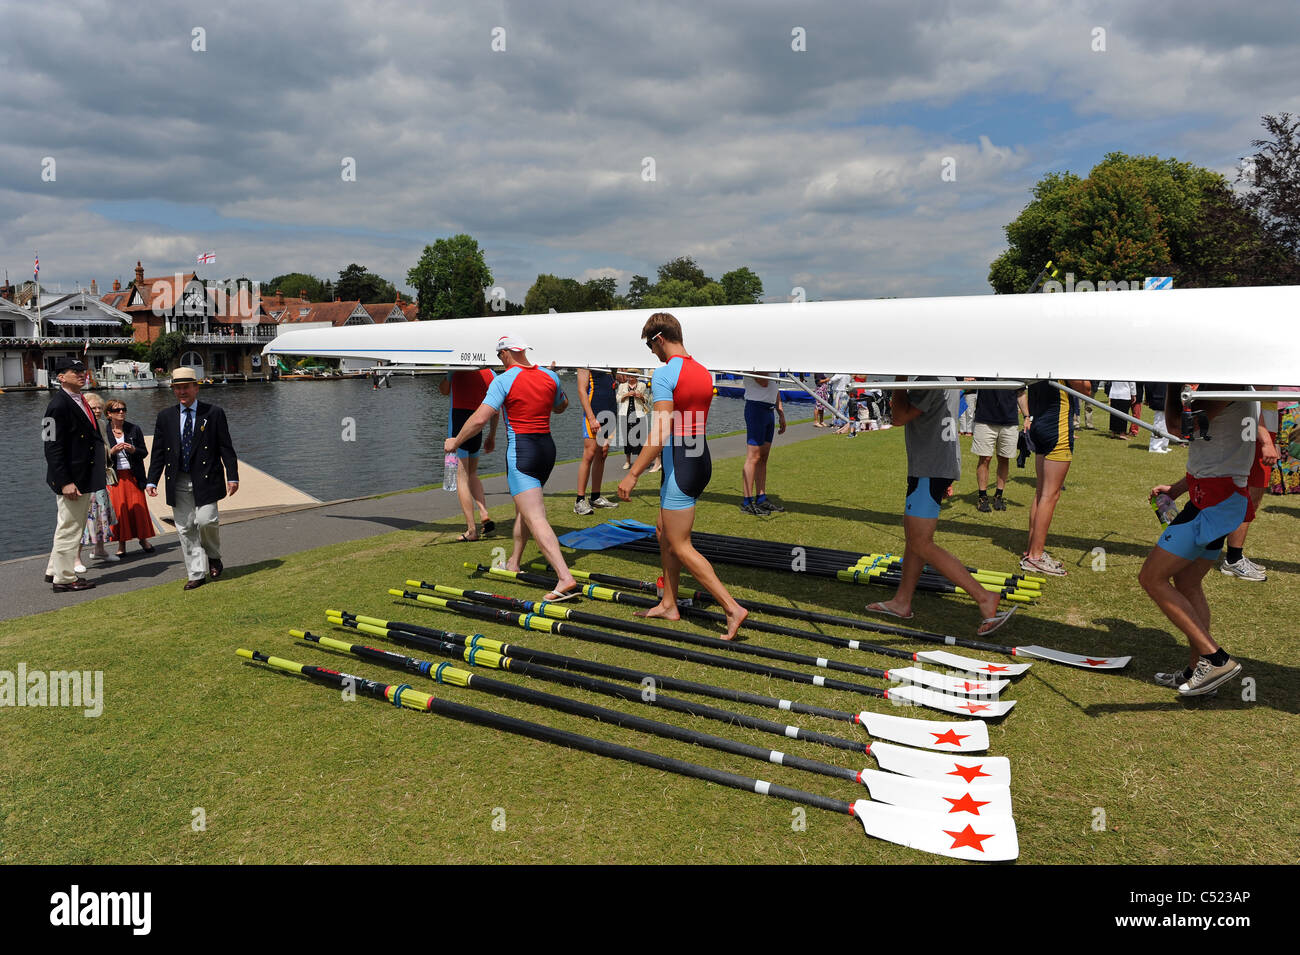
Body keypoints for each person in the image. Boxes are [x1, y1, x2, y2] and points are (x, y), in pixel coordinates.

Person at [617, 312, 748, 639]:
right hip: (697, 455)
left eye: (650, 345)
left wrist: (633, 473)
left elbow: (661, 429)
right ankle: (669, 603)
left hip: (681, 462)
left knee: (679, 543)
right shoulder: (703, 372)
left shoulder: (664, 375)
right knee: (663, 532)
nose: (651, 352)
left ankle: (732, 608)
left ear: (660, 338)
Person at [866, 377, 1015, 635]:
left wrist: (899, 382)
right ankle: (902, 602)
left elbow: (899, 416)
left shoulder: (930, 379)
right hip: (936, 465)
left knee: (921, 542)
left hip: (929, 468)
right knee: (915, 539)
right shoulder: (946, 375)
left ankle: (984, 597)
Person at [1139, 384, 1256, 696]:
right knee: (1188, 583)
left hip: (1215, 504)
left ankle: (1215, 658)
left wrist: (1170, 382)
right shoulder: (1233, 383)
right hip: (1216, 499)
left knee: (1152, 577)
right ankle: (1197, 670)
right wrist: (1178, 489)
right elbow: (1216, 454)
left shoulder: (1224, 384)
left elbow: (1178, 427)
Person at [445, 336, 578, 600]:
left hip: (522, 454)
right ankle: (514, 561)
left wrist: (456, 440)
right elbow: (562, 407)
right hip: (546, 451)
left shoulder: (503, 380)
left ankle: (564, 577)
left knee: (535, 516)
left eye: (499, 357)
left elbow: (481, 417)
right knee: (523, 510)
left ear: (506, 353)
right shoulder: (550, 377)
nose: (499, 362)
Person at [146, 367, 239, 590]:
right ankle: (196, 573)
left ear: (196, 388)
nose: (182, 392)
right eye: (177, 388)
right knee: (185, 528)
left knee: (207, 521)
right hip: (177, 479)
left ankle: (214, 556)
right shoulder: (165, 417)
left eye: (186, 387)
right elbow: (159, 451)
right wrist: (152, 480)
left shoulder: (213, 413)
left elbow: (226, 447)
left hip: (207, 478)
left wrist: (233, 476)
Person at [42, 357, 105, 592]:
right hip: (71, 479)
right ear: (60, 377)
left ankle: (53, 570)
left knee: (68, 526)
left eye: (82, 370)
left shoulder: (79, 400)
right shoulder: (58, 405)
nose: (81, 374)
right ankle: (64, 579)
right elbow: (50, 445)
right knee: (70, 528)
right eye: (74, 371)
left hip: (83, 474)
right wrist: (65, 481)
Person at [1022, 378, 1090, 576]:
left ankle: (1031, 551)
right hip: (1056, 428)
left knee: (1042, 493)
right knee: (1050, 495)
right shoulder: (1063, 360)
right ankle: (1035, 556)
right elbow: (1085, 389)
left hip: (1039, 425)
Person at [438, 368, 498, 541]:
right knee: (472, 474)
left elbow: (443, 390)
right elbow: (495, 410)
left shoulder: (456, 370)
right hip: (477, 428)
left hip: (459, 427)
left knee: (462, 478)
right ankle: (484, 513)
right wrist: (492, 435)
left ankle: (471, 530)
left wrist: (447, 373)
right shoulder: (491, 374)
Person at [1219, 409, 1280, 581]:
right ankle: (1233, 558)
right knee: (1248, 492)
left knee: (1253, 492)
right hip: (1253, 425)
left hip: (1261, 422)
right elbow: (1255, 390)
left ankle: (1232, 554)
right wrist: (1266, 440)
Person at [102, 398, 156, 555]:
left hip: (133, 476)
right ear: (109, 414)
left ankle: (143, 540)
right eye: (117, 410)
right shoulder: (104, 432)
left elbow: (144, 452)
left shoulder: (134, 429)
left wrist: (133, 450)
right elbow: (98, 456)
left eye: (123, 409)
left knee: (138, 509)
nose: (121, 412)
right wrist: (111, 452)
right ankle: (121, 546)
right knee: (121, 511)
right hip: (116, 478)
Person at [78, 392, 119, 567]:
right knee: (83, 517)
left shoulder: (102, 424)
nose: (97, 411)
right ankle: (75, 557)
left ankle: (99, 550)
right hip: (84, 478)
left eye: (100, 408)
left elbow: (104, 448)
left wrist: (112, 453)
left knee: (102, 513)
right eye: (93, 408)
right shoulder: (79, 424)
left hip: (100, 475)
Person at [971, 385, 1027, 513]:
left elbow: (1021, 393)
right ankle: (982, 497)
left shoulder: (1015, 369)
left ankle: (999, 495)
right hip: (985, 419)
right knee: (985, 458)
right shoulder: (985, 369)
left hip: (1009, 420)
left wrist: (1027, 416)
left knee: (1004, 458)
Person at [573, 368, 621, 515]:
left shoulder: (609, 361)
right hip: (594, 413)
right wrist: (591, 418)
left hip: (610, 412)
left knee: (603, 453)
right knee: (590, 453)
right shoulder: (586, 362)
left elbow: (614, 382)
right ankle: (579, 501)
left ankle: (595, 497)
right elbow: (582, 390)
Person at [739, 373, 787, 514]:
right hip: (756, 409)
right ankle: (747, 501)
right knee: (753, 457)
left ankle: (761, 497)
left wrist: (781, 413)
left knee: (763, 457)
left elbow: (774, 388)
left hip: (769, 410)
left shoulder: (769, 363)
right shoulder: (757, 361)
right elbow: (764, 382)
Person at [616, 370, 651, 470]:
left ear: (636, 376)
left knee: (640, 437)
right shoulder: (622, 386)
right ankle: (627, 461)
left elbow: (646, 399)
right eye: (629, 376)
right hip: (625, 414)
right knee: (626, 438)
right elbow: (618, 398)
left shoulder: (642, 386)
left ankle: (641, 461)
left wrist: (641, 397)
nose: (631, 377)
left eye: (633, 376)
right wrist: (625, 395)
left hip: (638, 414)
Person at [1145, 381, 1170, 453]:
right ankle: (1154, 446)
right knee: (1159, 423)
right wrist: (1148, 398)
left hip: (1166, 398)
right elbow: (1148, 385)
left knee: (1166, 424)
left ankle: (1163, 445)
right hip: (1159, 398)